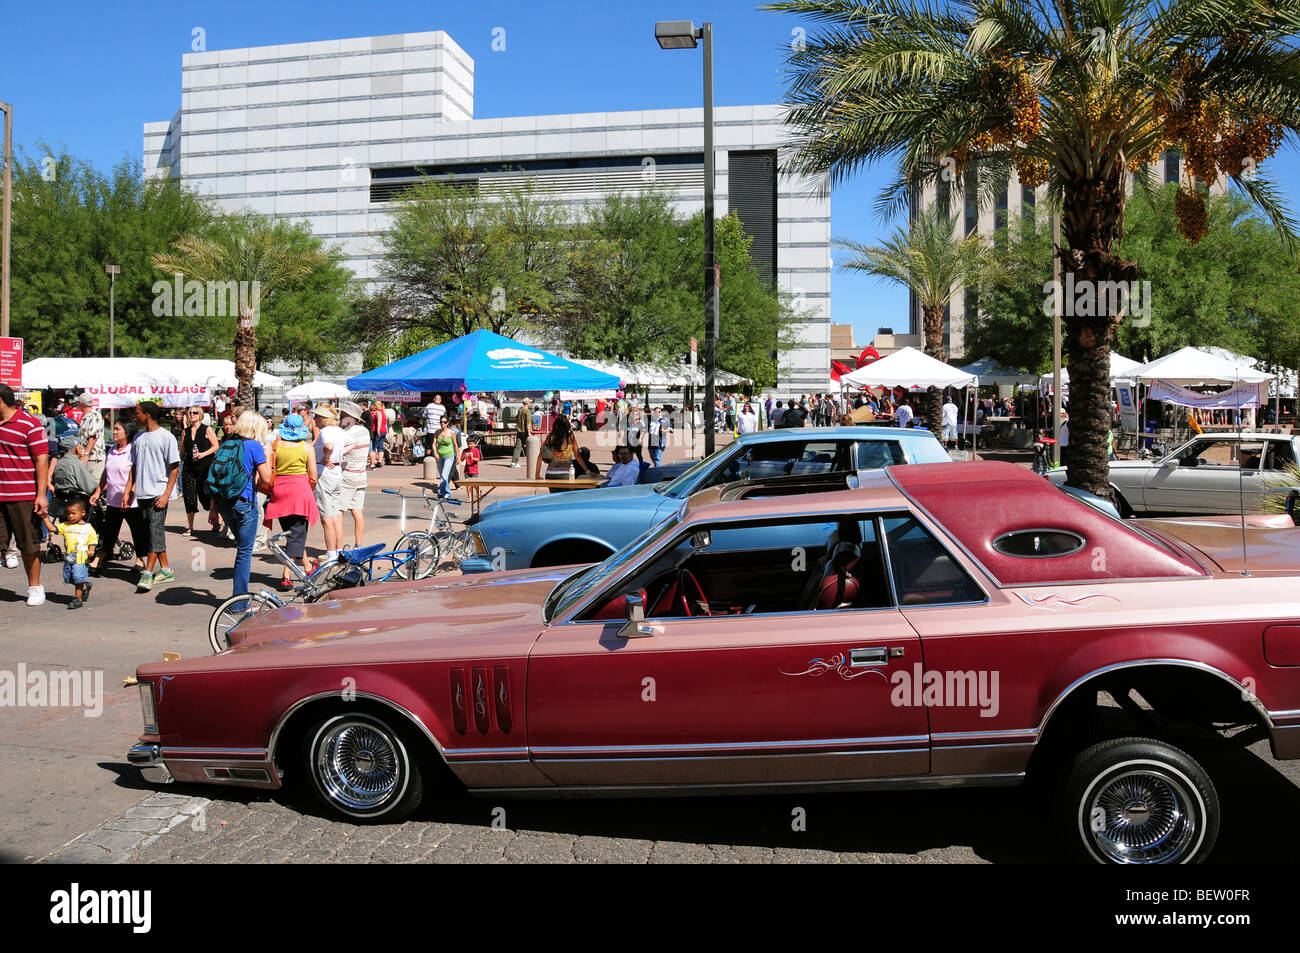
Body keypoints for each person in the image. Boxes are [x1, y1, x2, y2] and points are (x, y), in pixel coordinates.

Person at [210, 411, 273, 607]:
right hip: (245, 503)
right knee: (245, 553)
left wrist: (213, 508)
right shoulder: (254, 446)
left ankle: (239, 599)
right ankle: (240, 603)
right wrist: (268, 456)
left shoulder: (227, 444)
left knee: (242, 548)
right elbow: (266, 479)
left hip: (226, 504)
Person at [0, 385, 51, 605]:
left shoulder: (30, 424)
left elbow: (42, 460)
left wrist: (41, 495)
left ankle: (35, 587)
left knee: (29, 544)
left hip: (22, 495)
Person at [124, 401, 181, 591]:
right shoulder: (138, 438)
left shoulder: (166, 437)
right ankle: (165, 570)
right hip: (142, 494)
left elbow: (175, 468)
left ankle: (148, 573)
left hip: (158, 494)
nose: (135, 416)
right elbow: (133, 466)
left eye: (137, 413)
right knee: (151, 532)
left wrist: (166, 494)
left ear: (147, 415)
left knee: (154, 532)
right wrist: (128, 490)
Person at [263, 413, 320, 588]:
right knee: (297, 534)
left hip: (279, 493)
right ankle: (286, 576)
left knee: (292, 533)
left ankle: (308, 566)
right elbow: (313, 477)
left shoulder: (274, 446)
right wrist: (308, 490)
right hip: (300, 492)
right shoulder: (307, 448)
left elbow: (267, 471)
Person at [90, 421, 148, 575]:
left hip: (131, 502)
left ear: (127, 432)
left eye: (117, 429)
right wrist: (97, 491)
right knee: (109, 532)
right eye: (113, 429)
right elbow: (106, 472)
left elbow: (137, 474)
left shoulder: (133, 450)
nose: (114, 432)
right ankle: (98, 560)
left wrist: (131, 494)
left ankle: (140, 560)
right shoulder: (112, 450)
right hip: (113, 500)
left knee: (138, 531)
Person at [42, 498, 97, 609]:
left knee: (78, 578)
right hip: (69, 558)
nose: (70, 516)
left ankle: (77, 599)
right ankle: (85, 586)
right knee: (70, 578)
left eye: (73, 513)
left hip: (81, 559)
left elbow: (93, 540)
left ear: (83, 513)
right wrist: (45, 518)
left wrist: (91, 549)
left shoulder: (87, 527)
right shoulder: (66, 525)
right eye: (68, 513)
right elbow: (52, 528)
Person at [312, 406, 345, 564]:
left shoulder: (325, 432)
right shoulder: (339, 430)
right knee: (335, 515)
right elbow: (352, 443)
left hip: (324, 474)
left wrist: (326, 458)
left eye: (317, 417)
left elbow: (329, 446)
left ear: (323, 418)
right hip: (336, 473)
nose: (314, 420)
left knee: (326, 518)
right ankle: (338, 550)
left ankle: (331, 554)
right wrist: (339, 457)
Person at [180, 405, 220, 537]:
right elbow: (183, 450)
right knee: (189, 497)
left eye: (195, 413)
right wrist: (179, 460)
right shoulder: (185, 431)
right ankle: (190, 527)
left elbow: (216, 446)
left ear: (200, 415)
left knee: (205, 496)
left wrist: (203, 454)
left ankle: (216, 518)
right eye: (190, 413)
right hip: (189, 468)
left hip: (205, 468)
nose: (192, 415)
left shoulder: (207, 429)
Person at [337, 401, 371, 545]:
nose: (340, 419)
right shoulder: (365, 431)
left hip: (347, 476)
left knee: (338, 512)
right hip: (361, 475)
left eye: (342, 416)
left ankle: (338, 548)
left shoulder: (347, 433)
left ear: (349, 417)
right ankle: (358, 545)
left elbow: (338, 454)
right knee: (357, 511)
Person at [537, 414, 592, 486]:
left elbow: (540, 456)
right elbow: (577, 455)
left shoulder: (550, 437)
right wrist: (587, 471)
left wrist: (537, 475)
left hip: (550, 474)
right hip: (565, 474)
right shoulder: (570, 437)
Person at [76, 395, 105, 485]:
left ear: (81, 403)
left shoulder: (95, 416)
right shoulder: (86, 417)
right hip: (87, 458)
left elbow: (93, 436)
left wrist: (86, 454)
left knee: (94, 485)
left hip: (94, 458)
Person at [432, 416, 459, 498]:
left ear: (447, 423)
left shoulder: (451, 432)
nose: (442, 423)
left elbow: (455, 445)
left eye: (444, 422)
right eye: (441, 422)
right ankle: (443, 492)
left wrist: (457, 456)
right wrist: (435, 452)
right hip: (439, 457)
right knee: (442, 476)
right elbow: (434, 444)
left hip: (449, 456)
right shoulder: (437, 432)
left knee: (444, 475)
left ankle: (445, 492)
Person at [511, 397, 532, 468]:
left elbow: (516, 418)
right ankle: (536, 460)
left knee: (518, 447)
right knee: (532, 446)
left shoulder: (520, 410)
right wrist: (529, 433)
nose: (530, 403)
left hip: (519, 431)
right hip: (525, 431)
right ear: (527, 403)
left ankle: (514, 462)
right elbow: (528, 422)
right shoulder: (527, 411)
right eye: (529, 402)